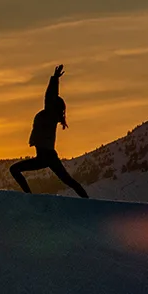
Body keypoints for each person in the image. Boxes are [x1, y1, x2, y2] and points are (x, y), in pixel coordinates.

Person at [9, 64, 89, 198]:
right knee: (68, 181)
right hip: (43, 157)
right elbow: (50, 96)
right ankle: (29, 196)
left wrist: (55, 78)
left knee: (68, 181)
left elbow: (50, 95)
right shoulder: (50, 116)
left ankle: (29, 196)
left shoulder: (50, 114)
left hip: (48, 156)